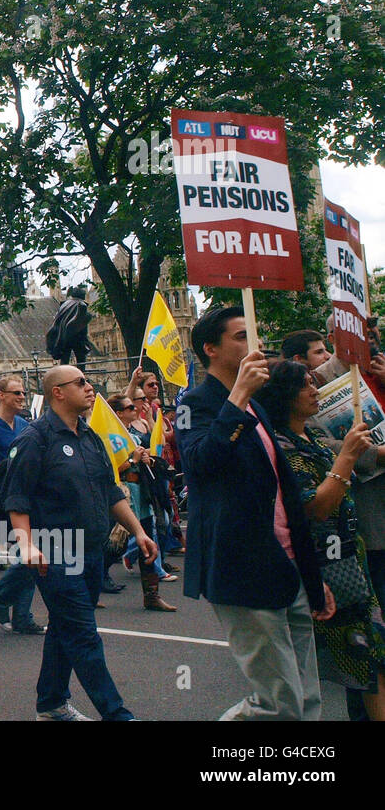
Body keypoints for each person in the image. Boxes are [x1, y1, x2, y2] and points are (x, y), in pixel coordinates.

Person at [177, 304, 334, 720]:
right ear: (210, 348)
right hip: (242, 566)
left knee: (307, 697)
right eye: (242, 336)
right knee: (277, 704)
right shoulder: (194, 402)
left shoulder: (259, 408)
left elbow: (282, 490)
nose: (256, 344)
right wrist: (239, 395)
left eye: (256, 334)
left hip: (287, 561)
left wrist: (313, 577)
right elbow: (201, 463)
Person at [0, 365, 157, 720]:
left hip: (92, 552)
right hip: (55, 552)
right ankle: (117, 714)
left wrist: (139, 532)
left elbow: (109, 491)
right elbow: (17, 498)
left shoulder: (90, 436)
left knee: (64, 627)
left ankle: (51, 703)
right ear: (58, 392)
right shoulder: (34, 439)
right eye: (81, 383)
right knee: (84, 634)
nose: (90, 389)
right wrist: (26, 544)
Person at [255, 361, 384, 719]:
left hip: (350, 562)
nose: (315, 390)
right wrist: (345, 459)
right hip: (326, 569)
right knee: (363, 664)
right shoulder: (285, 448)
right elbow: (318, 507)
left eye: (314, 382)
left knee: (371, 663)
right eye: (305, 385)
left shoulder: (311, 436)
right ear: (285, 396)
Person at [0, 376, 45, 634]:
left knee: (29, 554)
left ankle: (21, 617)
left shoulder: (25, 425)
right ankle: (2, 600)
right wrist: (13, 467)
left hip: (27, 495)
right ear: (1, 395)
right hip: (5, 498)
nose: (21, 397)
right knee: (26, 556)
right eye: (16, 392)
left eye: (23, 392)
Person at [109, 393, 175, 611]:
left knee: (146, 539)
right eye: (129, 408)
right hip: (124, 495)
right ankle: (96, 578)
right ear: (118, 413)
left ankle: (151, 595)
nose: (135, 410)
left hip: (142, 492)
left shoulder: (134, 437)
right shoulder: (108, 437)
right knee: (114, 545)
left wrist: (146, 458)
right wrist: (132, 460)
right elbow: (110, 469)